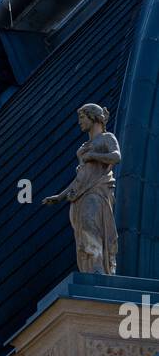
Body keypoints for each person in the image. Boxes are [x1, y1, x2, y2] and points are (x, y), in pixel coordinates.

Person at [42, 104, 121, 274]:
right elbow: (81, 178)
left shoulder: (107, 138)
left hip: (97, 191)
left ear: (93, 117)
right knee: (82, 235)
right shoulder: (84, 145)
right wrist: (60, 196)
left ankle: (99, 270)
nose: (79, 122)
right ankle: (91, 271)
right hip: (80, 195)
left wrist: (93, 155)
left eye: (82, 117)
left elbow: (116, 156)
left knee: (91, 227)